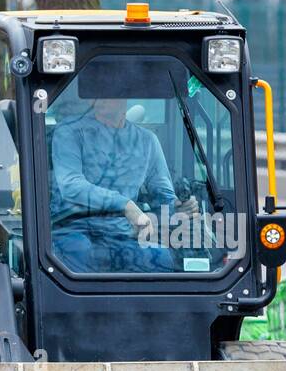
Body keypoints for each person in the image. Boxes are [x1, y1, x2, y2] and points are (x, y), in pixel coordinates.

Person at [50, 97, 197, 272]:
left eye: (108, 91)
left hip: (122, 235)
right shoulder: (70, 132)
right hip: (73, 229)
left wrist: (178, 206)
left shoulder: (147, 141)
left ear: (125, 94)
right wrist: (125, 205)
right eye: (94, 91)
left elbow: (163, 196)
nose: (99, 97)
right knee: (80, 253)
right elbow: (71, 185)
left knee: (160, 257)